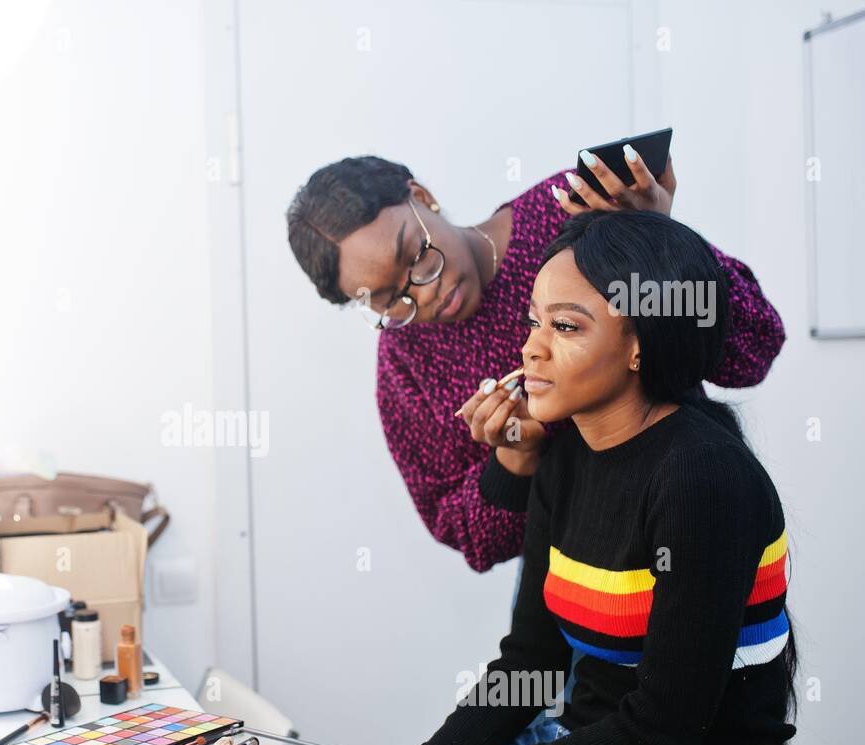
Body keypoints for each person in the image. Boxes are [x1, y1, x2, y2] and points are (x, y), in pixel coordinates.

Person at [291, 210, 798, 745]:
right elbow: (531, 661)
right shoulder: (565, 457)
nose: (531, 348)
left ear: (641, 341)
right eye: (534, 321)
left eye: (565, 326)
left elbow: (662, 730)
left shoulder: (702, 477)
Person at [286, 151, 786, 572]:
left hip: (692, 529)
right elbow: (472, 539)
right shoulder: (406, 365)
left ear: (422, 198)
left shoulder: (571, 214)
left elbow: (755, 346)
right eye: (392, 299)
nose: (427, 290)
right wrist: (515, 457)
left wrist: (658, 239)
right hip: (572, 586)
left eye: (416, 255)